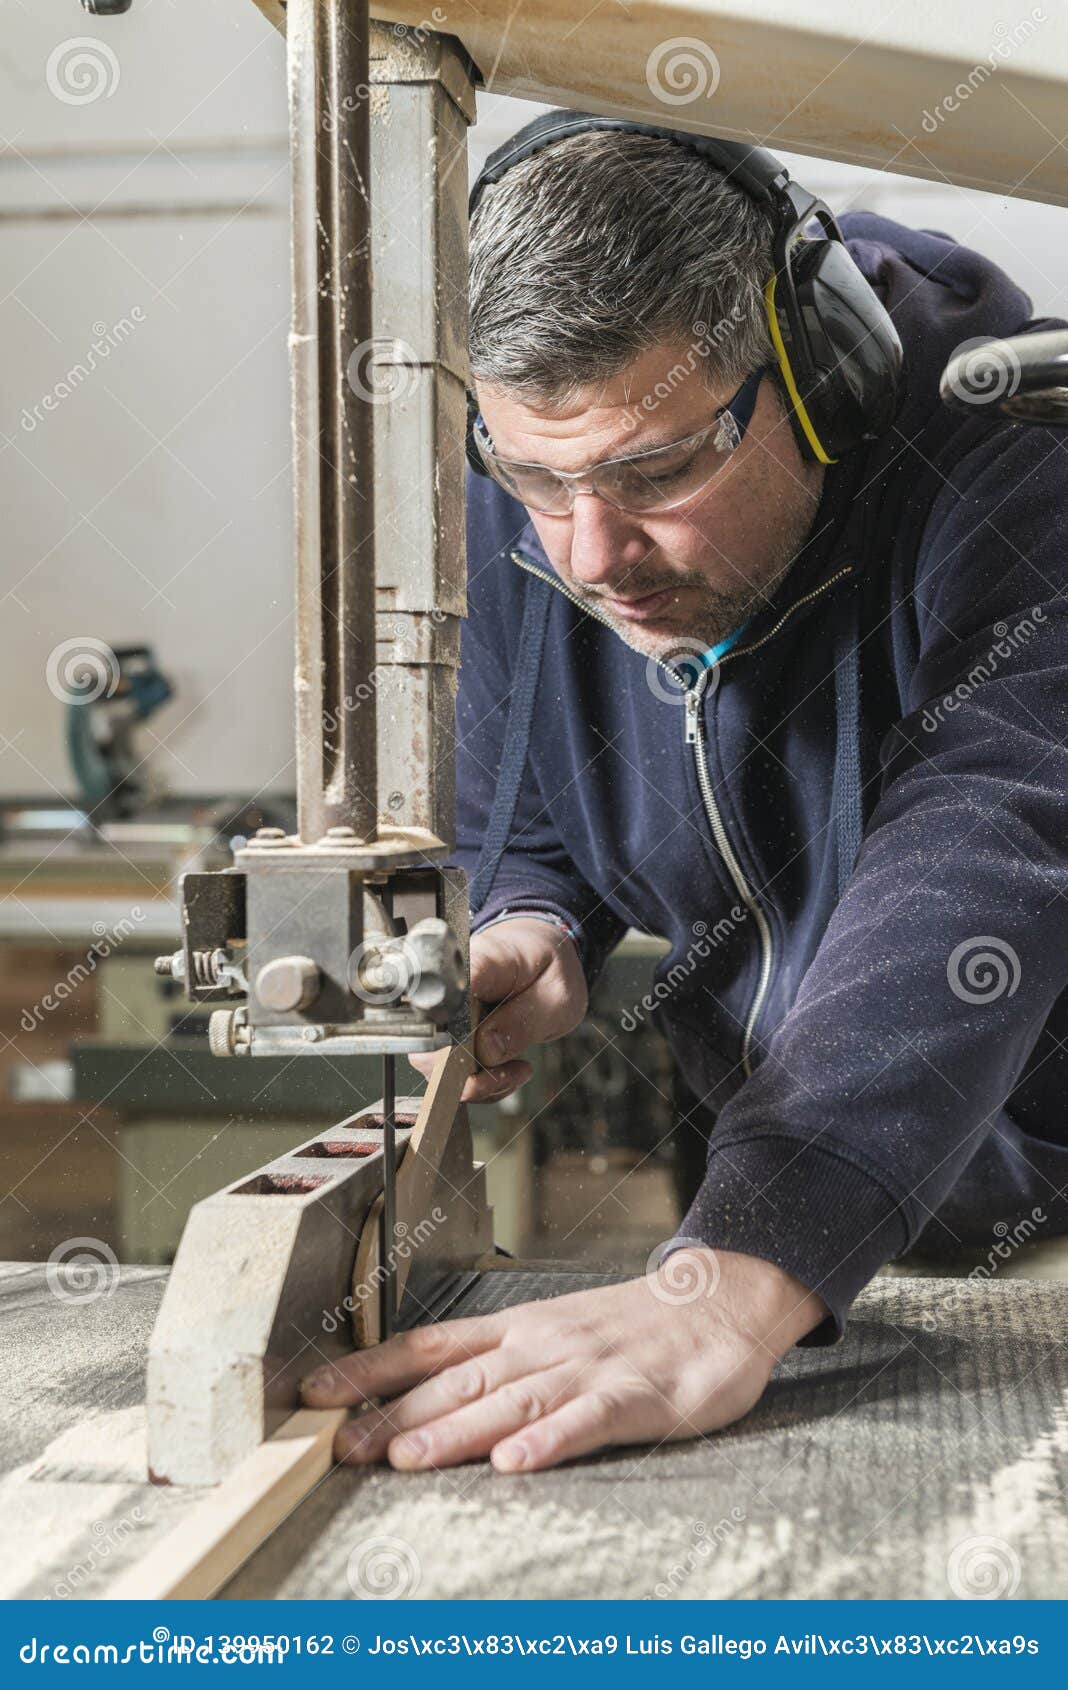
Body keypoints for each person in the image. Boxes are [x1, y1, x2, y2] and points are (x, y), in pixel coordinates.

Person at [302, 112, 1068, 1474]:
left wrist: (743, 1265)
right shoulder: (543, 478)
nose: (596, 553)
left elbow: (988, 836)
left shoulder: (1018, 466)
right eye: (539, 479)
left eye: (659, 472)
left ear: (816, 372)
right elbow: (538, 783)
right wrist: (536, 923)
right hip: (765, 1198)